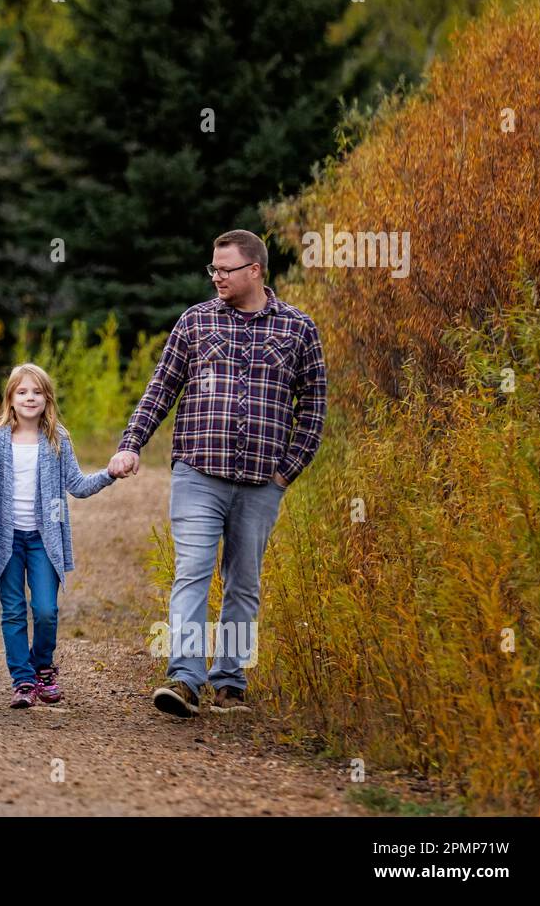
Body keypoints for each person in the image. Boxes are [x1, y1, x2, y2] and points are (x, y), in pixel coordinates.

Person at [108, 229, 327, 717]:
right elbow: (160, 389)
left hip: (261, 482)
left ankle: (230, 682)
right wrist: (131, 444)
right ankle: (185, 679)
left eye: (225, 269)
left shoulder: (298, 329)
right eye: (213, 268)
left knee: (244, 583)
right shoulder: (196, 321)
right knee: (192, 572)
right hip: (198, 473)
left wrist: (285, 474)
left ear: (255, 270)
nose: (216, 277)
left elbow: (313, 409)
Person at [0, 363, 115, 708]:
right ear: (10, 399)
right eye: (22, 392)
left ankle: (42, 666)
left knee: (46, 610)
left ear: (47, 399)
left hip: (45, 540)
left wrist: (109, 473)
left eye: (37, 392)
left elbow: (77, 485)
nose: (30, 398)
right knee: (13, 611)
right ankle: (23, 681)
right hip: (7, 539)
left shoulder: (57, 439)